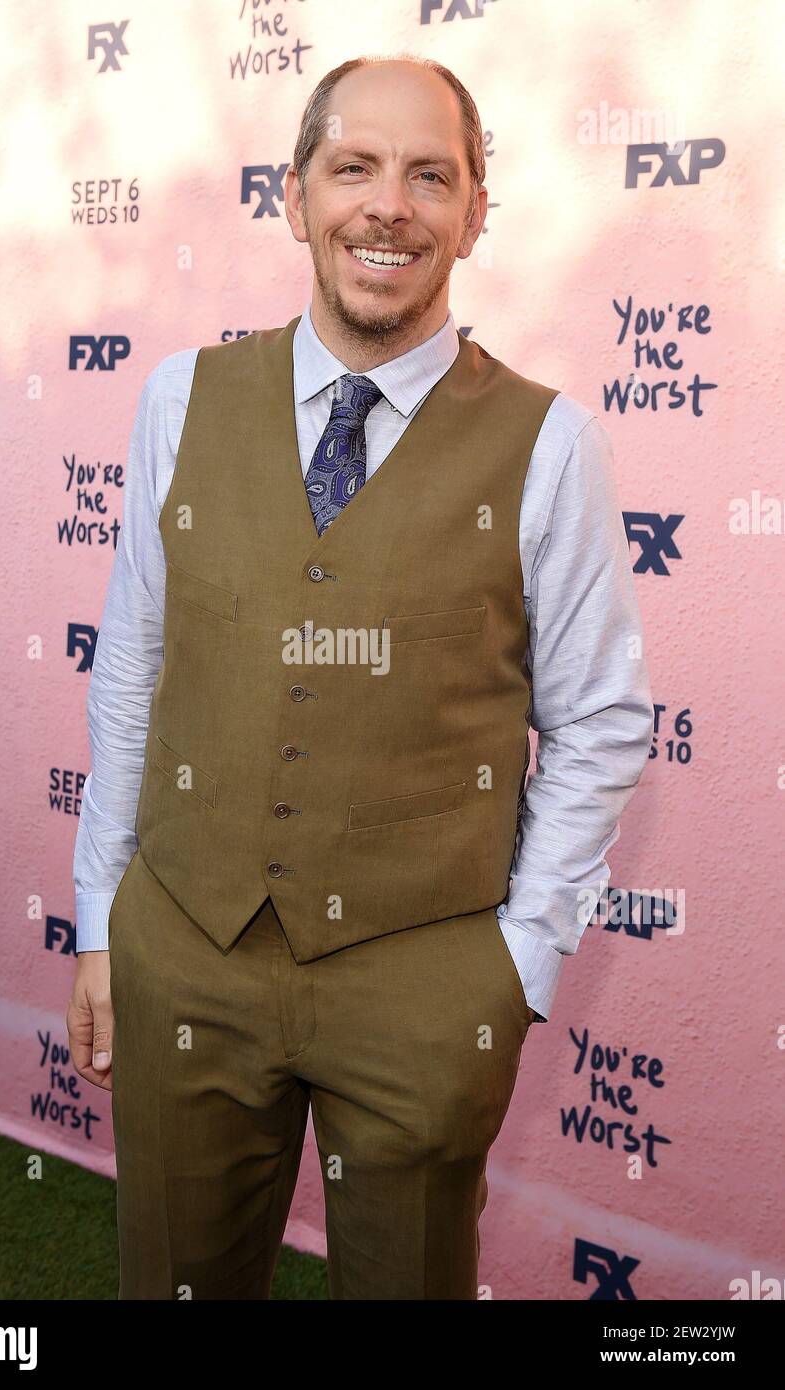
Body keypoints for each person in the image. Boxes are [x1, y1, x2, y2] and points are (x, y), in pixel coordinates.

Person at [67, 53, 654, 1300]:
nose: (387, 206)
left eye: (428, 176)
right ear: (294, 195)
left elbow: (602, 721)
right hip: (183, 942)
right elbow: (132, 667)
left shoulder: (549, 444)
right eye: (353, 168)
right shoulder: (180, 399)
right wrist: (100, 919)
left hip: (424, 983)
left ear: (473, 214)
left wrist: (516, 964)